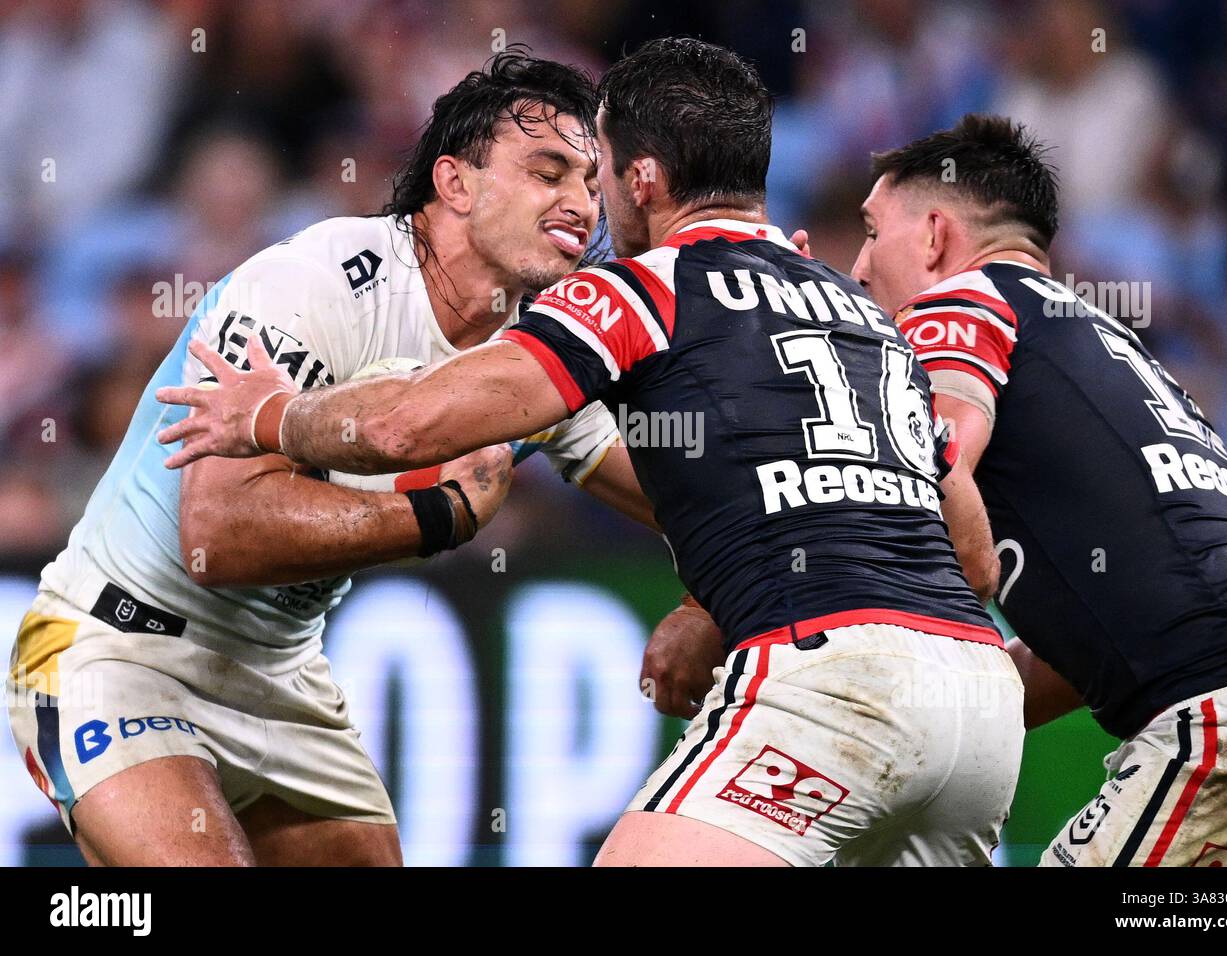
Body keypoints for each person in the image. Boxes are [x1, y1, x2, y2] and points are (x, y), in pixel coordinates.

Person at [156, 38, 1024, 868]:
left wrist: (271, 417)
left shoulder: (640, 290)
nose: (590, 200)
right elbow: (973, 559)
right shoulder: (863, 314)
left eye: (597, 168)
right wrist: (711, 603)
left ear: (642, 178)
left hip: (830, 681)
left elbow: (406, 427)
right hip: (978, 700)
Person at [6, 50, 654, 867]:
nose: (580, 204)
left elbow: (676, 499)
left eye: (591, 183)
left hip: (281, 675)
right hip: (119, 648)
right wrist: (438, 515)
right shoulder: (319, 281)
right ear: (454, 183)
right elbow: (218, 534)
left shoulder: (542, 343)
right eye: (548, 173)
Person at [851, 114, 1227, 867]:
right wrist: (936, 718)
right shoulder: (1107, 347)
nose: (859, 268)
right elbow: (1092, 642)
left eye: (872, 232)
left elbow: (936, 459)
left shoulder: (960, 301)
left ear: (933, 237)